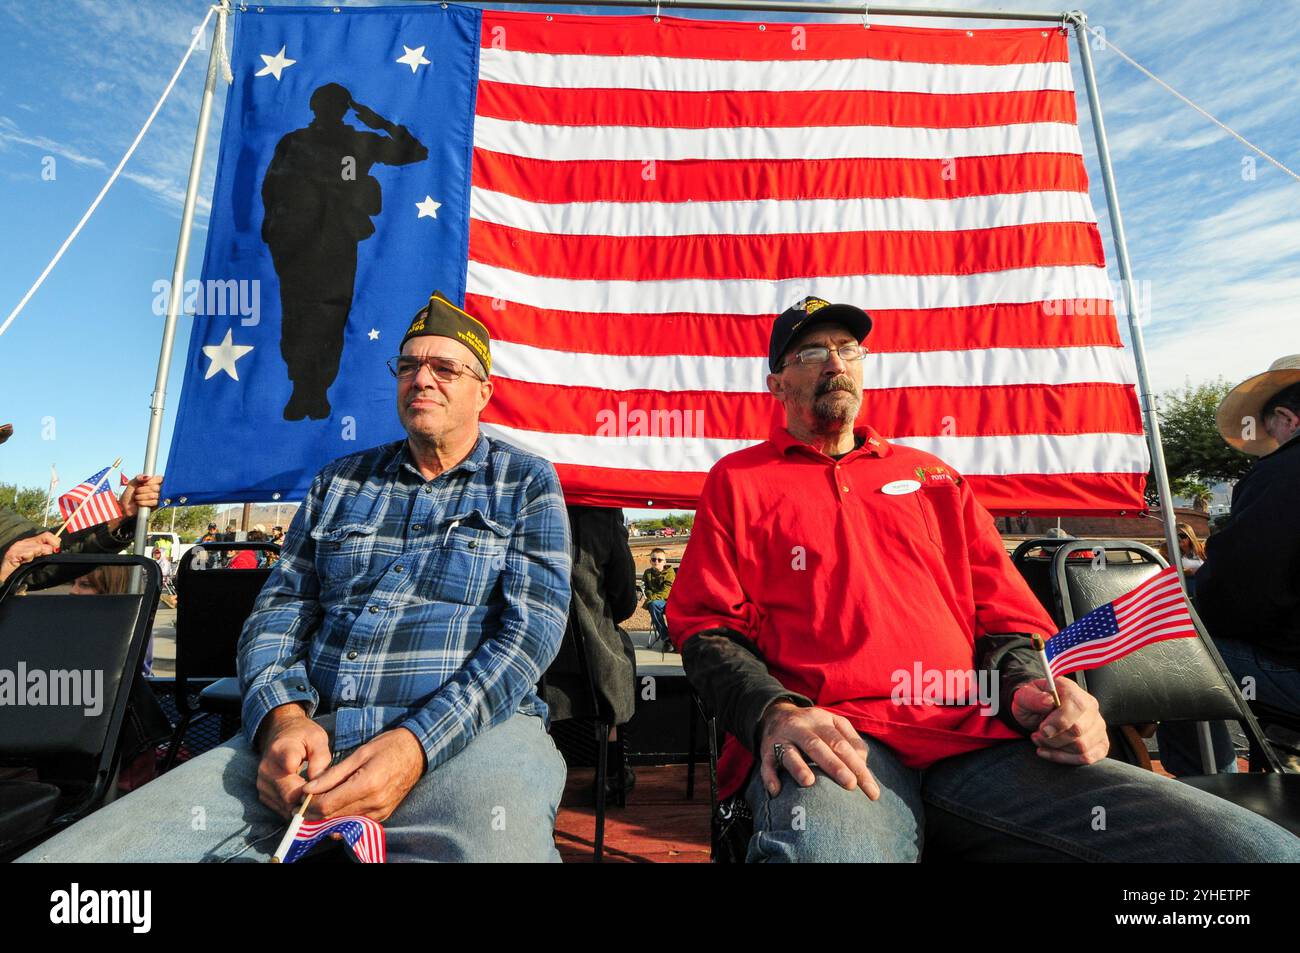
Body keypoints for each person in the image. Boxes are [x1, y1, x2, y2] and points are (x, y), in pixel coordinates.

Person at [666, 295, 1300, 862]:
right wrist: (776, 711)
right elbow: (706, 628)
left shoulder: (934, 478)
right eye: (811, 351)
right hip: (838, 745)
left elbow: (1006, 620)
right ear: (776, 383)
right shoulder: (739, 481)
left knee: (1251, 848)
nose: (836, 362)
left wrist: (1033, 688)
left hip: (979, 738)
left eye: (849, 348)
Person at [19, 290, 572, 863]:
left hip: (474, 738)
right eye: (407, 366)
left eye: (444, 367)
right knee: (79, 865)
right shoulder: (341, 482)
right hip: (309, 742)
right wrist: (282, 720)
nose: (421, 379)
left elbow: (530, 635)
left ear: (483, 391)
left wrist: (415, 745)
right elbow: (278, 614)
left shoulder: (526, 482)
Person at [1158, 357, 1300, 776]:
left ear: (1286, 417)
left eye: (1271, 431)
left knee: (1172, 646)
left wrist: (1208, 587)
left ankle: (1212, 792)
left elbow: (1239, 596)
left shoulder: (1284, 471)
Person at [262, 83, 428, 420]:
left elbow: (415, 151)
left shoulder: (358, 141)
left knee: (332, 313)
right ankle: (300, 387)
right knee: (296, 312)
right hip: (296, 242)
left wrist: (375, 119)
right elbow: (271, 187)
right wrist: (274, 228)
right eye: (325, 102)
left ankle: (319, 389)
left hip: (338, 240)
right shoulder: (294, 142)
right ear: (314, 106)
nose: (330, 108)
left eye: (338, 103)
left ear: (346, 107)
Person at [543, 506, 639, 796]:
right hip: (597, 666)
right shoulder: (604, 516)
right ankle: (612, 769)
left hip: (542, 665)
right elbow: (624, 600)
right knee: (618, 653)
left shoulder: (530, 504)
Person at [641, 548, 675, 650]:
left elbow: (666, 592)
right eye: (654, 559)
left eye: (659, 560)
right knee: (653, 605)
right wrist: (651, 597)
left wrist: (651, 599)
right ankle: (667, 638)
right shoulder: (647, 573)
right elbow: (646, 589)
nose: (656, 562)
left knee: (653, 605)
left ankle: (672, 638)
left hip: (670, 602)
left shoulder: (670, 573)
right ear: (650, 561)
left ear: (665, 561)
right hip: (655, 604)